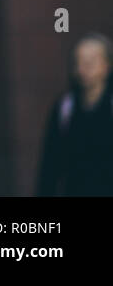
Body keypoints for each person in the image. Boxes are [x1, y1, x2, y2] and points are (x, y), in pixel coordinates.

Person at [36, 32, 113, 196]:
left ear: (107, 65)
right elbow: (50, 164)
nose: (83, 68)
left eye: (91, 61)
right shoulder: (65, 108)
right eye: (79, 61)